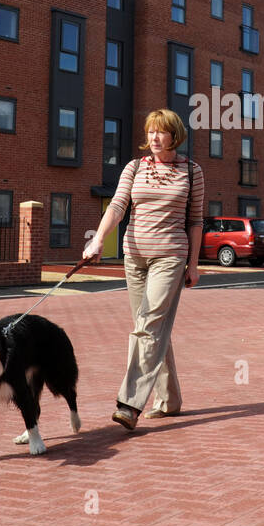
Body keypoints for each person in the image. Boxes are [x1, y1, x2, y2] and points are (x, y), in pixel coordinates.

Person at [82, 109, 204, 430]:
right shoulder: (134, 167)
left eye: (160, 132)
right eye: (150, 132)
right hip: (133, 257)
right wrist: (98, 239)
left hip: (170, 257)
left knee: (148, 326)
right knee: (150, 328)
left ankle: (130, 404)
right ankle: (170, 399)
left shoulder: (191, 171)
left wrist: (193, 265)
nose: (154, 138)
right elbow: (119, 204)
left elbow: (195, 221)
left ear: (174, 135)